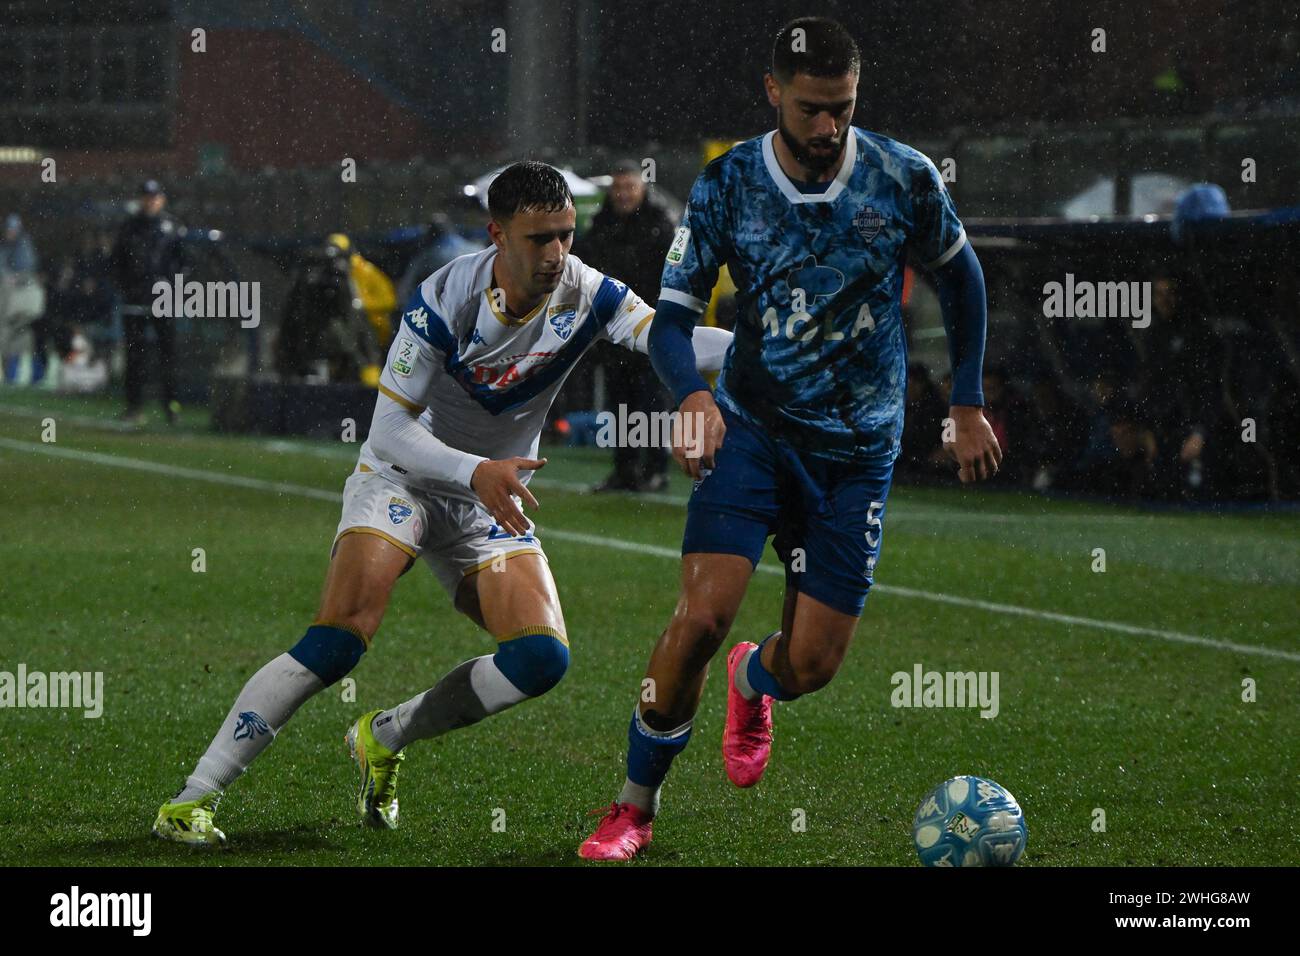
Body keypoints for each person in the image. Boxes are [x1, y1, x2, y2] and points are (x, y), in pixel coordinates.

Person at [151, 162, 731, 847]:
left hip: (488, 493)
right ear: (496, 235)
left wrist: (771, 350)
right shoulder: (444, 297)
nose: (557, 255)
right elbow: (390, 429)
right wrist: (474, 468)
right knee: (339, 640)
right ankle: (193, 798)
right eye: (540, 238)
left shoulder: (590, 293)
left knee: (541, 660)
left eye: (567, 236)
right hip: (404, 477)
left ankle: (385, 735)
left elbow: (671, 336)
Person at [579, 17, 1001, 860]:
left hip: (856, 454)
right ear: (774, 92)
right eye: (810, 109)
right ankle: (633, 807)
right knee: (698, 618)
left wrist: (966, 401)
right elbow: (670, 321)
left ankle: (753, 679)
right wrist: (694, 395)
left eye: (842, 108)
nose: (827, 128)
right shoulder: (727, 184)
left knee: (810, 667)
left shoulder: (904, 177)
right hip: (753, 433)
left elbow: (963, 277)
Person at [579, 159, 679, 492]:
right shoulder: (600, 225)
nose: (623, 194)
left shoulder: (661, 225)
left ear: (642, 187)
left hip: (652, 324)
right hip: (613, 328)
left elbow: (674, 276)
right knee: (619, 400)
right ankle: (624, 469)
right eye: (618, 187)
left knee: (652, 400)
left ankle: (654, 470)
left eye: (629, 187)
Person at [110, 180, 187, 424]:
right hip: (135, 300)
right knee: (135, 356)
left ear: (162, 199)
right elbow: (117, 262)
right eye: (147, 196)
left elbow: (184, 262)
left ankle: (171, 406)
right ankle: (135, 406)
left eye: (155, 196)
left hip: (163, 300)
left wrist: (173, 287)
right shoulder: (130, 227)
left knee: (168, 355)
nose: (151, 201)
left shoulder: (173, 227)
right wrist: (127, 287)